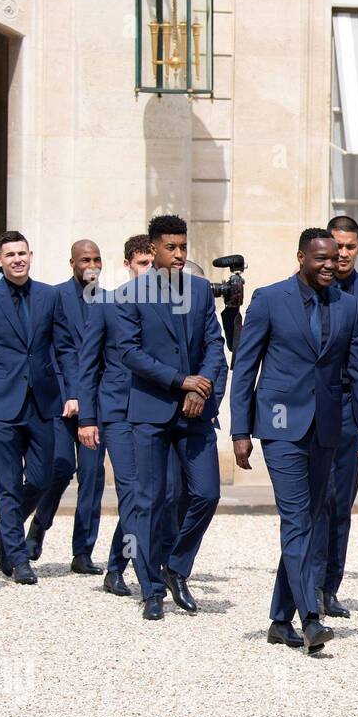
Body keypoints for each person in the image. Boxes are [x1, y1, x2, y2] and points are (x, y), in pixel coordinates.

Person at [231, 228, 358, 652]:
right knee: (297, 520)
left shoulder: (349, 307)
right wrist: (241, 430)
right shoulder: (269, 299)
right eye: (321, 259)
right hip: (280, 427)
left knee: (310, 523)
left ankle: (280, 619)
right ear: (301, 258)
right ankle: (310, 616)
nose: (331, 265)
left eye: (335, 258)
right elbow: (245, 368)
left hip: (328, 428)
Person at [114, 214, 226, 620]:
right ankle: (151, 590)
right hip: (150, 411)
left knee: (207, 493)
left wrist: (203, 386)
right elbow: (130, 353)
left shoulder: (199, 291)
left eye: (183, 247)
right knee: (152, 500)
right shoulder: (131, 295)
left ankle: (176, 567)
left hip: (195, 413)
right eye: (171, 247)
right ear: (154, 249)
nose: (179, 254)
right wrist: (182, 382)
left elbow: (215, 344)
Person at [0, 231, 78, 585]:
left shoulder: (50, 296)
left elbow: (64, 348)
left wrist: (72, 391)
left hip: (43, 402)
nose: (18, 259)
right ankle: (19, 560)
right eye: (10, 254)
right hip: (4, 403)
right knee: (6, 483)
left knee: (41, 477)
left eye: (23, 253)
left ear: (30, 256)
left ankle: (3, 527)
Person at [310, 214, 358, 621]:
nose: (341, 254)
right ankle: (307, 584)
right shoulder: (306, 285)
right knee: (313, 503)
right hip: (309, 407)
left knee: (340, 503)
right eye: (335, 245)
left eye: (349, 246)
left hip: (350, 409)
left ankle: (330, 587)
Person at [74, 235, 156, 598]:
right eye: (142, 264)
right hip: (118, 412)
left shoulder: (168, 305)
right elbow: (88, 365)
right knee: (133, 493)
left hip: (155, 412)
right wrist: (87, 418)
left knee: (153, 494)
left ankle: (115, 567)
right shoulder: (108, 305)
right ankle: (147, 576)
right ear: (128, 265)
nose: (149, 270)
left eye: (153, 264)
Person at [23, 240, 106, 574]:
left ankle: (82, 551)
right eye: (85, 259)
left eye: (97, 259)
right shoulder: (54, 297)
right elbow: (52, 351)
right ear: (71, 262)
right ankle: (37, 526)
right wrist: (70, 393)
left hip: (95, 404)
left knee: (92, 476)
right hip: (59, 399)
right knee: (58, 468)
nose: (92, 265)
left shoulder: (109, 300)